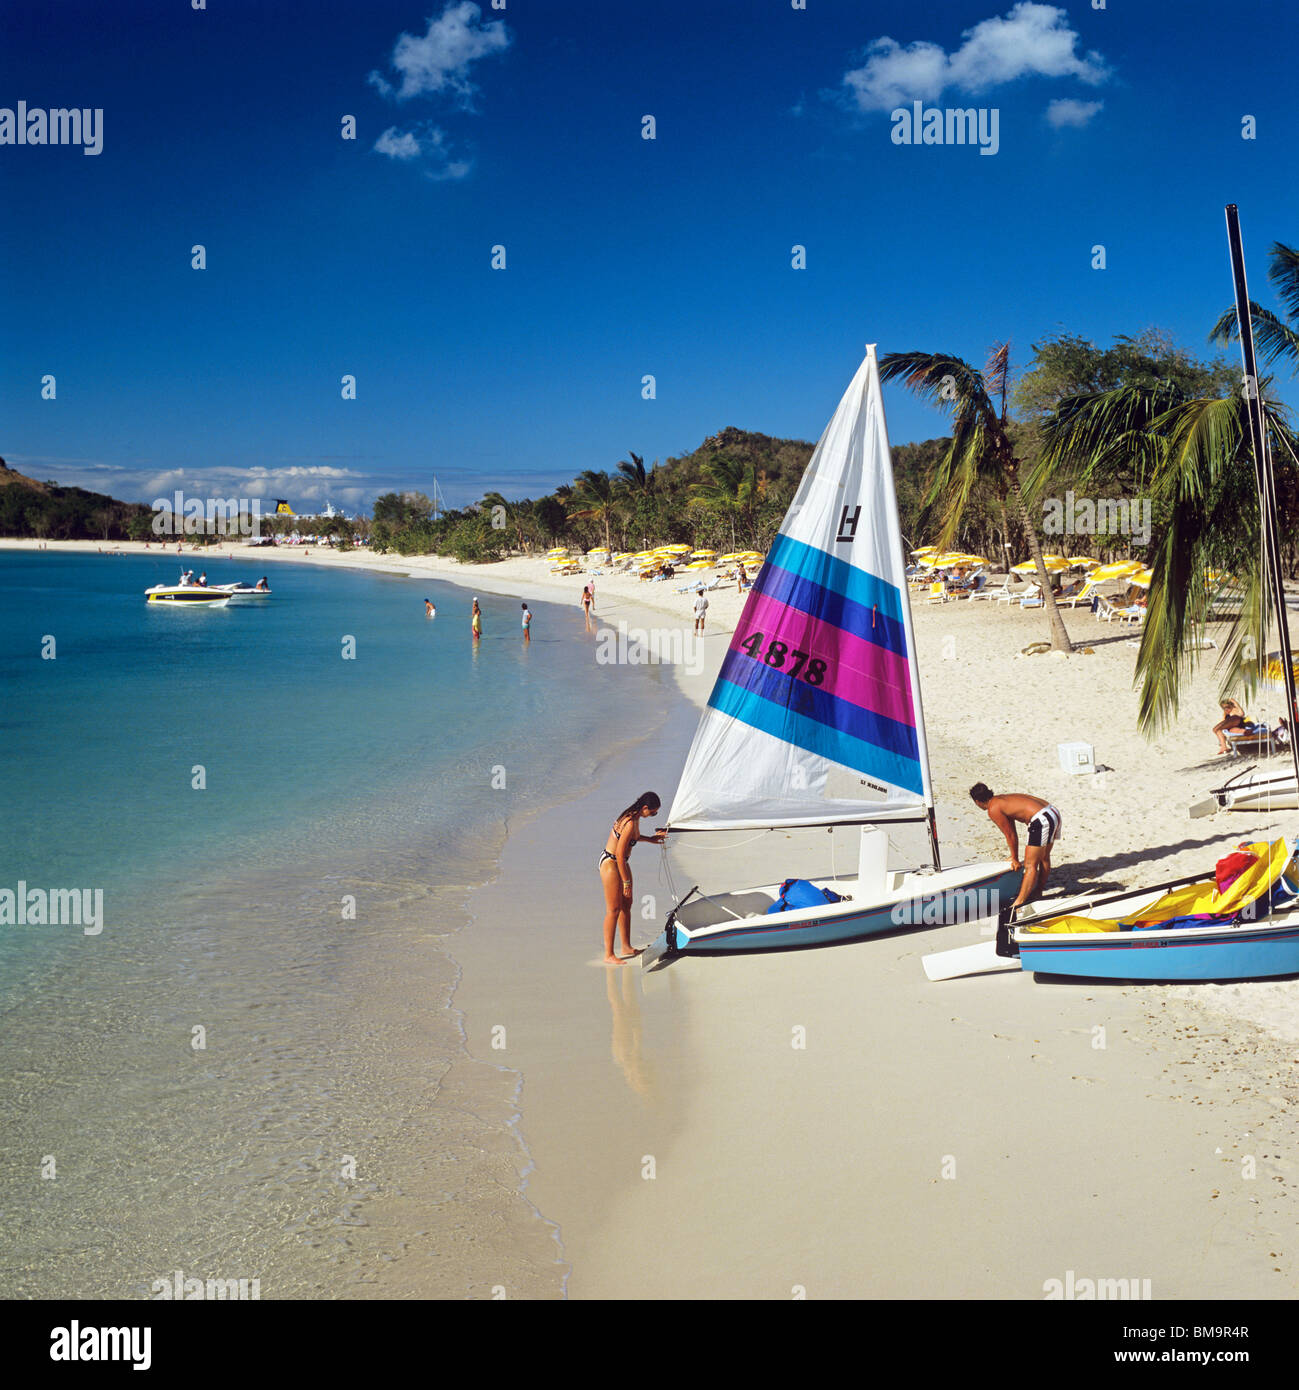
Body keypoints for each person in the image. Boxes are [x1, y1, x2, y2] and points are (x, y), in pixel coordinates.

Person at [969, 783, 1061, 911]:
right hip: (1052, 812)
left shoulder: (993, 809)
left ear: (977, 801)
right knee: (1044, 857)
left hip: (1041, 819)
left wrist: (1015, 859)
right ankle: (1038, 892)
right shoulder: (1001, 800)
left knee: (1030, 865)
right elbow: (1012, 831)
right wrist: (1014, 857)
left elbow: (1010, 835)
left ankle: (1019, 903)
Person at [598, 792, 666, 964]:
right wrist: (626, 881)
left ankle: (626, 946)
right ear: (644, 808)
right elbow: (620, 854)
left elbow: (632, 839)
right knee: (613, 909)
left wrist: (651, 839)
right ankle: (608, 954)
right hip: (612, 863)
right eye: (653, 813)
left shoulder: (634, 818)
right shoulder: (629, 822)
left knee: (626, 905)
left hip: (620, 863)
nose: (653, 815)